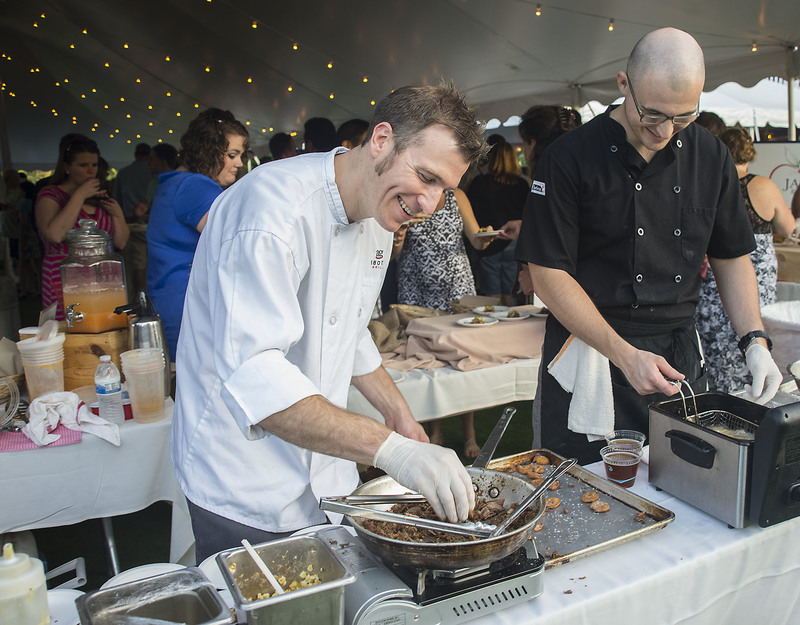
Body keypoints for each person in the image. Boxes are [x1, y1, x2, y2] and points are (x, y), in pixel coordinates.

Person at [171, 83, 487, 561]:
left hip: (328, 477)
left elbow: (349, 328)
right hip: (243, 480)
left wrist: (399, 415)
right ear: (381, 139)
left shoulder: (381, 213)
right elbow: (257, 379)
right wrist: (392, 451)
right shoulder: (271, 211)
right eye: (426, 177)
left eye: (445, 188)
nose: (430, 204)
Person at [515, 27, 782, 465]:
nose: (666, 131)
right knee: (577, 495)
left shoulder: (711, 156)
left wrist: (754, 341)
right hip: (592, 351)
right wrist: (623, 353)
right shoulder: (569, 157)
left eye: (683, 118)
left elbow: (731, 256)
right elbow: (548, 273)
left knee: (686, 488)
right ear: (624, 85)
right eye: (654, 115)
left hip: (677, 355)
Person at [396, 188, 497, 457]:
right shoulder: (407, 195)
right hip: (417, 289)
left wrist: (486, 237)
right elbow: (393, 254)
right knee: (426, 363)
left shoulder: (457, 196)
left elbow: (475, 240)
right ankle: (434, 432)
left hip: (457, 289)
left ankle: (469, 435)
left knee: (463, 360)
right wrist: (400, 232)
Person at [696, 126, 794, 392]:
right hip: (753, 281)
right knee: (753, 344)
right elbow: (787, 227)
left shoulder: (708, 184)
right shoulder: (762, 185)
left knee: (715, 346)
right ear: (748, 152)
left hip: (713, 282)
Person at [147, 109, 249, 361]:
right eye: (232, 155)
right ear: (208, 151)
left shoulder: (172, 181)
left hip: (169, 299)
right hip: (189, 304)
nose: (239, 163)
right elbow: (233, 243)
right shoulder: (195, 185)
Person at [35, 136, 129, 320]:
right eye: (83, 165)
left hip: (102, 278)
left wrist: (118, 215)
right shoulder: (51, 195)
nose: (90, 171)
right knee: (69, 330)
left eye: (94, 165)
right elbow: (55, 234)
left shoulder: (100, 198)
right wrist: (79, 195)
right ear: (67, 167)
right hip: (63, 277)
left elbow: (121, 242)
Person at [467, 141, 529, 304]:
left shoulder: (480, 183)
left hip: (489, 241)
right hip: (513, 243)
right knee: (512, 294)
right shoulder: (521, 184)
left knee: (492, 298)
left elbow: (471, 210)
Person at [115, 143, 156, 297]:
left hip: (131, 225)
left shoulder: (123, 173)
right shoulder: (153, 174)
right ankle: (147, 300)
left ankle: (140, 300)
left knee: (137, 265)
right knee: (149, 264)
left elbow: (117, 199)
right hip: (151, 225)